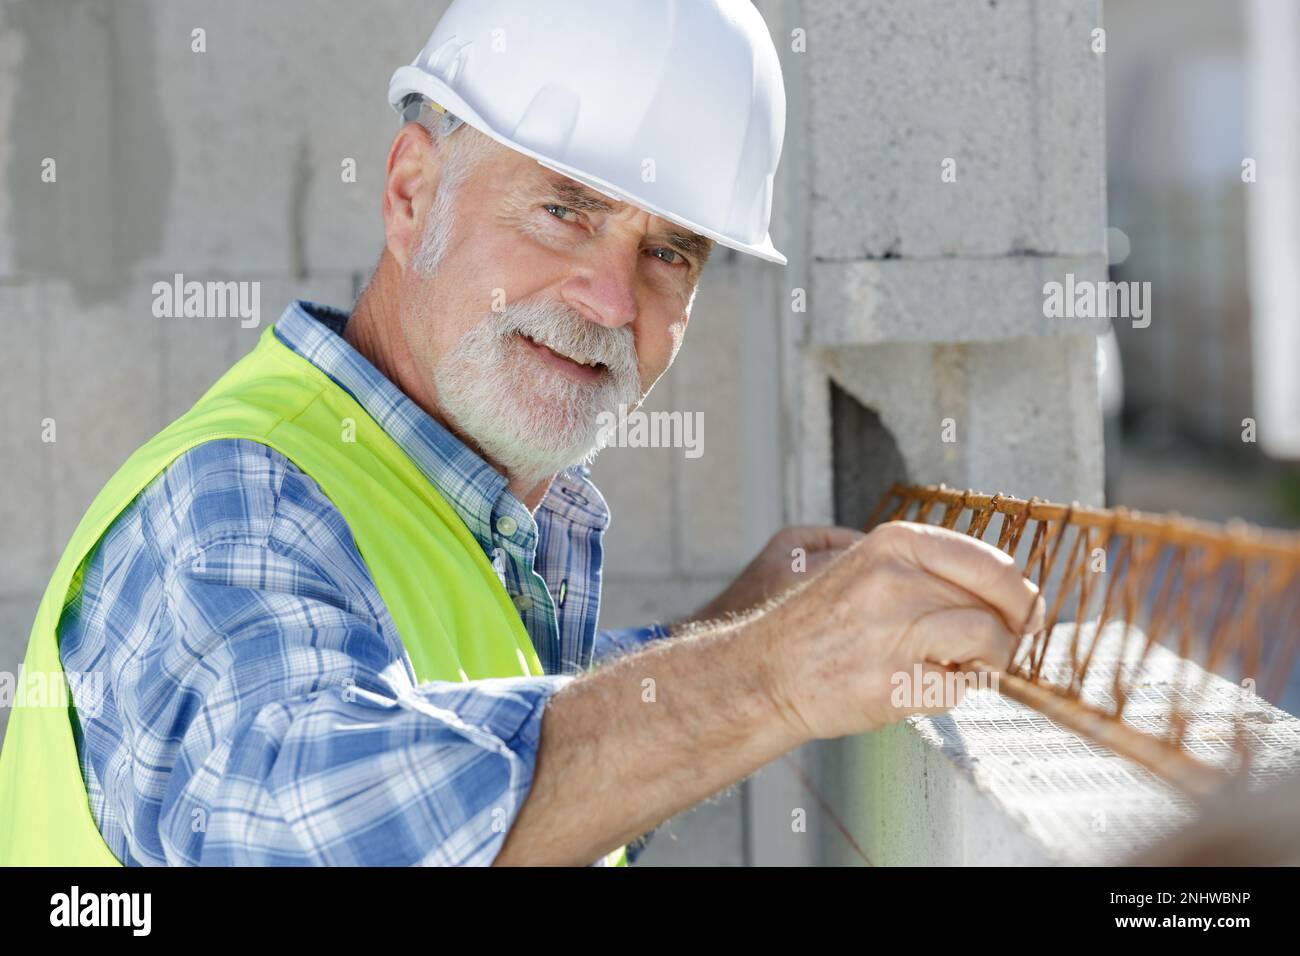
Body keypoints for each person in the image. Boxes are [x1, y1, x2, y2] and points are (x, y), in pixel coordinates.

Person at [0, 0, 1042, 866]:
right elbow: (329, 826)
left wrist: (721, 636)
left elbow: (458, 732)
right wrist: (771, 669)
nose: (607, 300)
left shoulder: (474, 516)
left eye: (668, 254)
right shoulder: (238, 502)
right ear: (412, 195)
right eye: (563, 210)